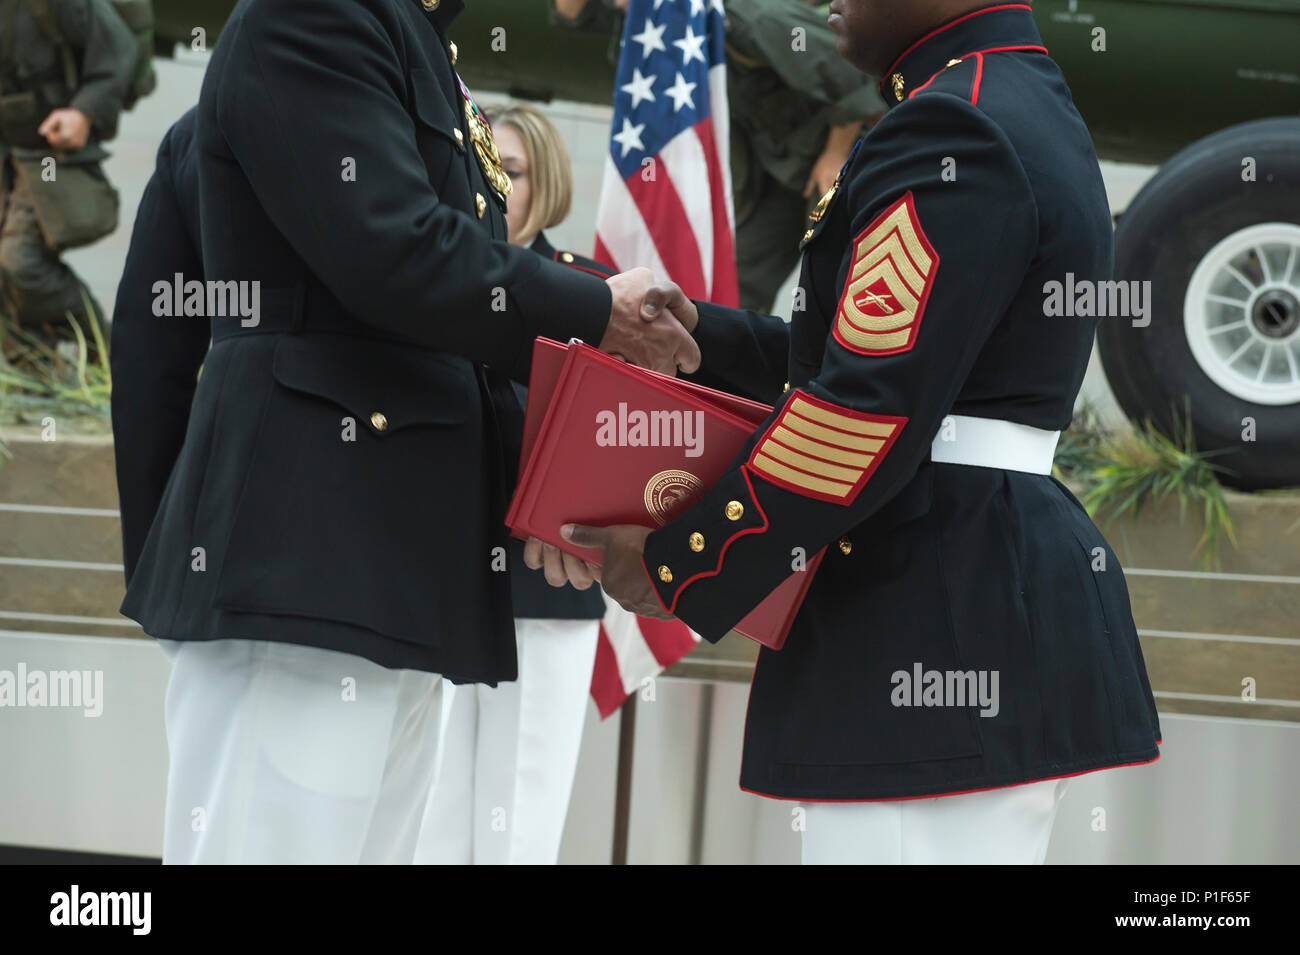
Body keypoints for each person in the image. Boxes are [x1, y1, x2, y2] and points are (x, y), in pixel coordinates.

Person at [565, 0, 1163, 864]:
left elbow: (862, 413)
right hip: (969, 578)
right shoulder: (1012, 96)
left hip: (931, 607)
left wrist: (682, 560)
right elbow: (890, 367)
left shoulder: (953, 125)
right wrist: (699, 340)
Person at [114, 0, 698, 864]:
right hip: (299, 567)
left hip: (401, 577)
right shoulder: (311, 15)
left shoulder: (419, 44)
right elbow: (395, 257)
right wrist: (185, 567)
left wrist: (553, 503)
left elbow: (458, 337)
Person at [414, 103, 610, 866]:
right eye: (483, 163)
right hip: (437, 573)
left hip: (544, 581)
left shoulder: (591, 293)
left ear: (549, 185)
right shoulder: (429, 286)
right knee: (424, 805)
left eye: (514, 171)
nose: (493, 184)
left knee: (517, 813)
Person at [551, 0, 884, 313]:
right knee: (739, 287)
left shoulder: (752, 20)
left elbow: (852, 77)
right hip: (777, 170)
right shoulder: (664, 20)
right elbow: (574, 15)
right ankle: (719, 369)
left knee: (840, 275)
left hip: (840, 149)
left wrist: (835, 153)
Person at [0, 0, 136, 348]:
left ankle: (107, 351)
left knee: (21, 264)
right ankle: (35, 373)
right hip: (7, 152)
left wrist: (83, 113)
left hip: (49, 154)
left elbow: (119, 50)